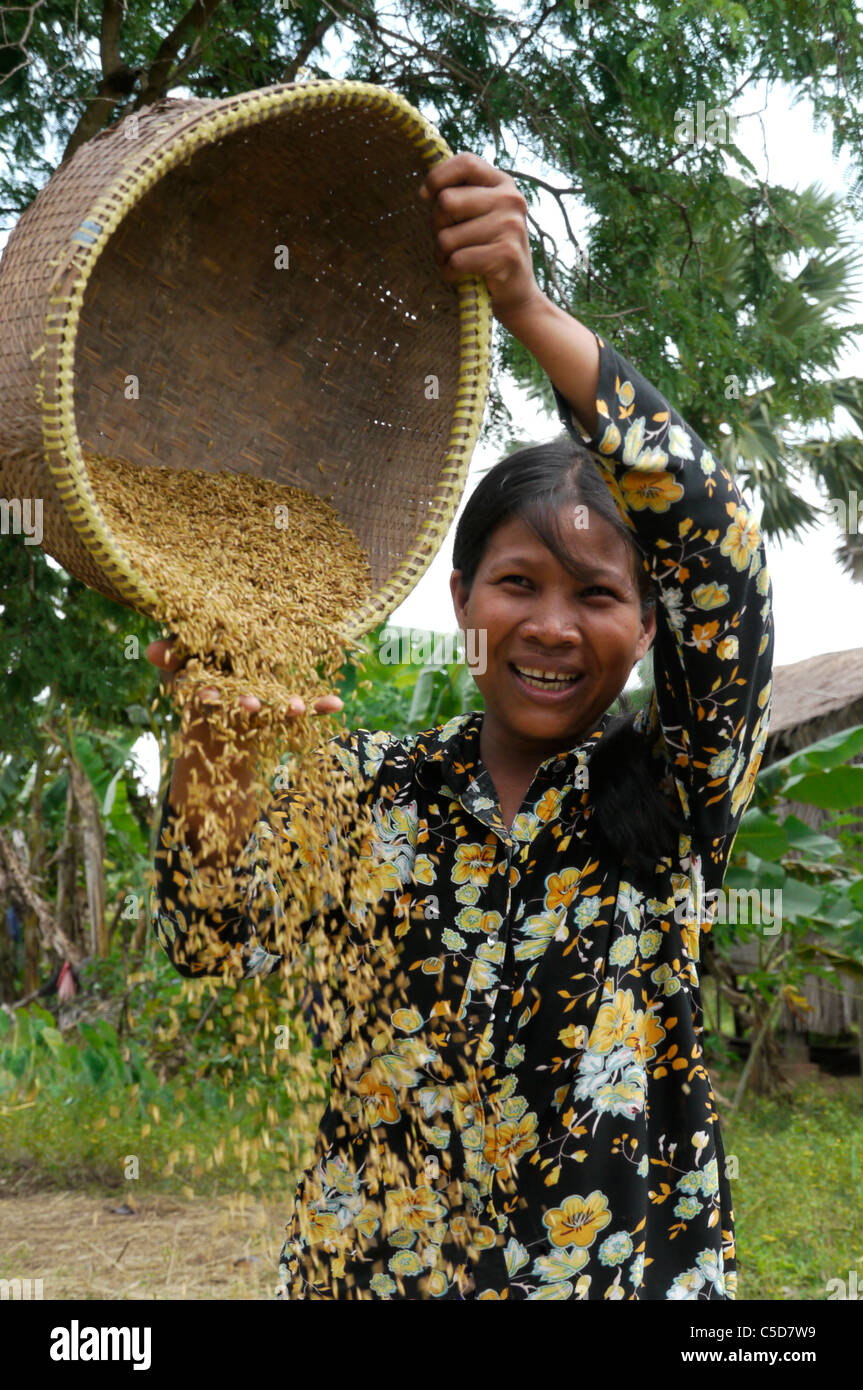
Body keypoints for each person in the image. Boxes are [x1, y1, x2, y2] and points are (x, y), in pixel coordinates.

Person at [148, 153, 773, 1300]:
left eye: (594, 596)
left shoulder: (674, 797)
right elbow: (206, 936)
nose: (547, 625)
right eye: (516, 583)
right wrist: (211, 756)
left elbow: (721, 552)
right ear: (457, 601)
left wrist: (522, 308)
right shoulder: (365, 787)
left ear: (645, 631)